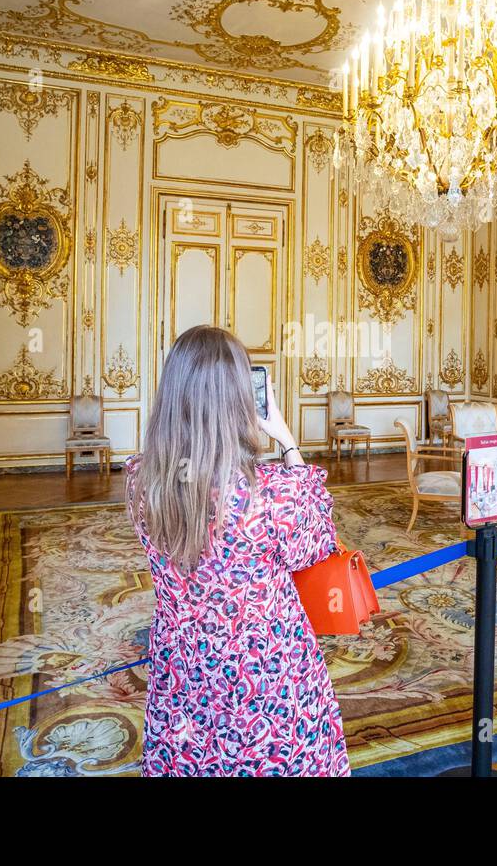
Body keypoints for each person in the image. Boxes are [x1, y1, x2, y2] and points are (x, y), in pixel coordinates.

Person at [125, 325, 349, 776]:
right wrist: (287, 441)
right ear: (240, 400)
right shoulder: (269, 495)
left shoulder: (141, 481)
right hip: (267, 680)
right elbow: (318, 543)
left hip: (184, 673)